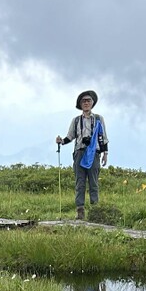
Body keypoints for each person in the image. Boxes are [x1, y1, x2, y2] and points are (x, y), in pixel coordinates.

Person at [56, 90, 109, 219]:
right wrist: (61, 141)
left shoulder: (98, 119)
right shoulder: (75, 121)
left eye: (88, 101)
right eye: (84, 101)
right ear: (80, 104)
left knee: (93, 182)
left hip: (94, 153)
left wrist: (105, 153)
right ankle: (80, 211)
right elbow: (70, 136)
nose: (86, 103)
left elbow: (103, 137)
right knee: (80, 182)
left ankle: (95, 210)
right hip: (79, 152)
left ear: (92, 103)